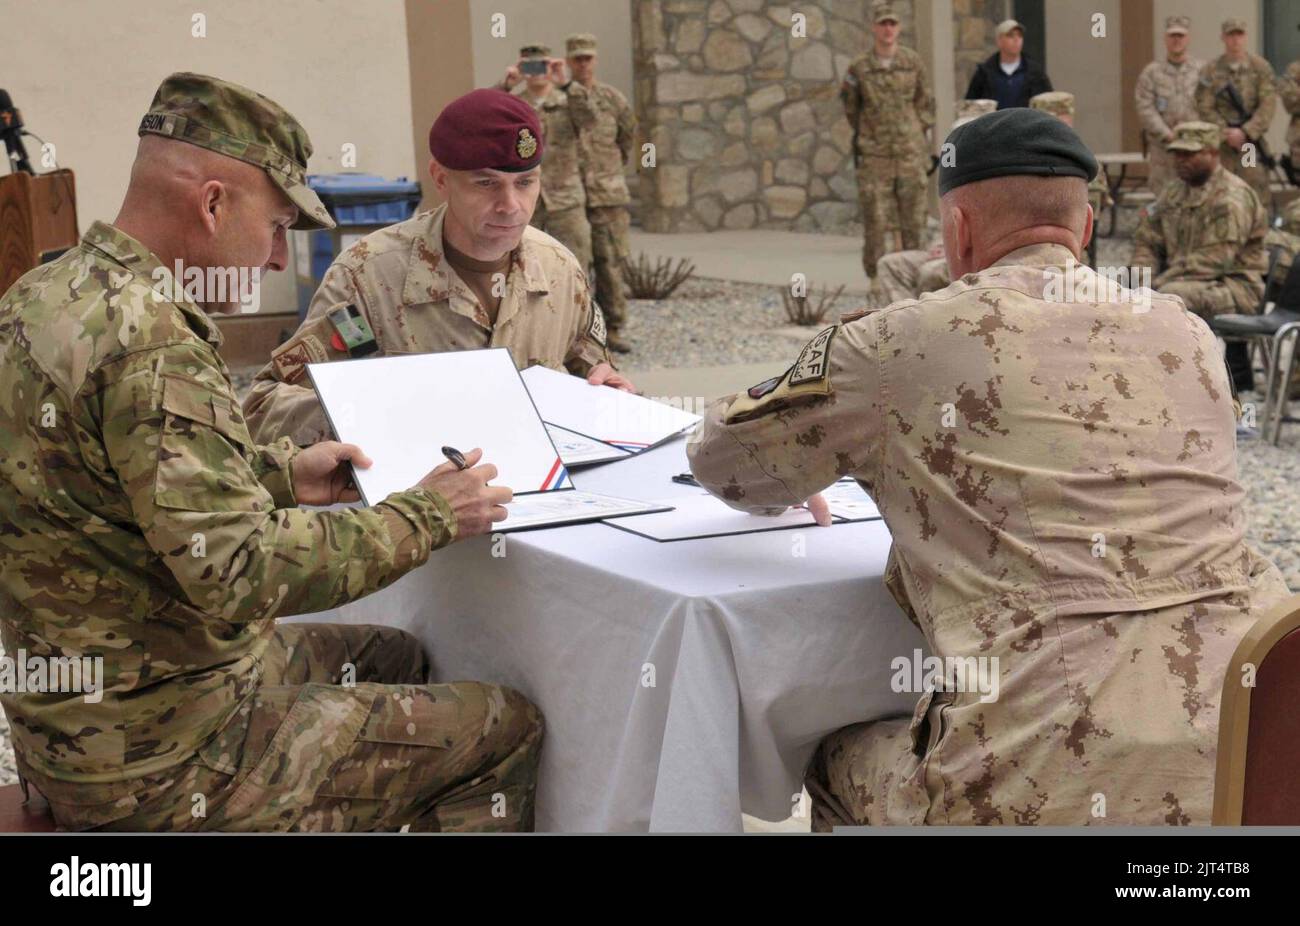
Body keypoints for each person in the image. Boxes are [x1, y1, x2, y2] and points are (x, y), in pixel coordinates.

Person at [687, 108, 1289, 826]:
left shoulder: (898, 344)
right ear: (1088, 227)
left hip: (1035, 769)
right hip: (1249, 750)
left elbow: (723, 460)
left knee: (835, 759)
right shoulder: (1187, 335)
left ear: (959, 230)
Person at [0, 73, 542, 832]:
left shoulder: (48, 292)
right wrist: (426, 514)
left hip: (86, 712)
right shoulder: (154, 344)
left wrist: (280, 474)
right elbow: (239, 572)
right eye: (279, 224)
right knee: (505, 725)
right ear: (214, 202)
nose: (273, 256)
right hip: (161, 758)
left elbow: (115, 474)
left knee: (400, 657)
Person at [244, 88, 633, 449]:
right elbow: (263, 410)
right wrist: (381, 413)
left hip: (546, 498)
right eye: (486, 184)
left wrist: (608, 390)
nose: (511, 205)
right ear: (441, 179)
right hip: (424, 507)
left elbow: (591, 368)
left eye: (525, 182)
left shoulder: (558, 269)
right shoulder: (367, 277)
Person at [1132, 121, 1267, 393]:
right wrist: (1140, 278)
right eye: (1177, 154)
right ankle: (1147, 380)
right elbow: (1147, 239)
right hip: (1182, 280)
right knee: (1134, 294)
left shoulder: (1231, 197)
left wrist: (1157, 285)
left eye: (1190, 154)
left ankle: (1179, 384)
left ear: (1212, 153)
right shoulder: (1173, 192)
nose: (1181, 161)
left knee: (1168, 299)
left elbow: (1217, 259)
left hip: (1235, 287)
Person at [840, 3, 935, 279]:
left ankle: (916, 278)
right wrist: (872, 135)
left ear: (899, 28)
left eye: (892, 24)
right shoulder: (859, 68)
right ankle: (876, 280)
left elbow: (925, 103)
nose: (888, 29)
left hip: (909, 153)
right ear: (874, 28)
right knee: (876, 221)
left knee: (914, 221)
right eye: (883, 24)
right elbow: (851, 108)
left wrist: (916, 132)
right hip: (875, 157)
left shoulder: (912, 62)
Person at [872, 100, 997, 306]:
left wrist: (951, 251)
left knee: (930, 273)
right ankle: (904, 329)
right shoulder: (959, 172)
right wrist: (940, 247)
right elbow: (949, 222)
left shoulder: (1000, 175)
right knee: (892, 264)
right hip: (949, 252)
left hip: (984, 258)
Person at [567, 33, 637, 354]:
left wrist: (609, 171)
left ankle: (615, 327)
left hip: (608, 196)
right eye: (577, 58)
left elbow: (627, 138)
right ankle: (576, 333)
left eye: (588, 58)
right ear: (568, 61)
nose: (583, 63)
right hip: (568, 197)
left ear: (595, 59)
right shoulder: (560, 98)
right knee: (575, 266)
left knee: (610, 264)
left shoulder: (613, 99)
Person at [500, 43, 595, 270]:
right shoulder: (513, 105)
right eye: (530, 66)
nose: (537, 72)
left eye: (542, 65)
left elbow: (590, 120)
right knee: (520, 264)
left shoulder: (569, 100)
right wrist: (505, 86)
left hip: (565, 197)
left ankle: (574, 306)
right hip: (524, 199)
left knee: (576, 263)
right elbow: (482, 118)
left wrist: (566, 83)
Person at [1195, 18, 1277, 209]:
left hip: (1248, 143)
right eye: (1231, 35)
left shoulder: (1260, 68)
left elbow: (1268, 104)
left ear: (1246, 37)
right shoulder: (1211, 70)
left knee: (1252, 184)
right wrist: (1226, 132)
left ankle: (1254, 232)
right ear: (1223, 38)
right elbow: (1203, 106)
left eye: (1239, 34)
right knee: (1219, 190)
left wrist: (1246, 131)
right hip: (1221, 145)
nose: (1235, 40)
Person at [1134, 16, 1205, 195]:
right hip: (1163, 150)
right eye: (1172, 36)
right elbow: (1144, 106)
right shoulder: (1152, 73)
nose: (1176, 40)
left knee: (1197, 194)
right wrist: (1167, 134)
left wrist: (1198, 134)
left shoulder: (1202, 71)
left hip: (1195, 147)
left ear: (1188, 39)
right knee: (1164, 197)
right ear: (1165, 39)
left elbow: (1210, 106)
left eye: (1180, 36)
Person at [1028, 92, 1115, 216]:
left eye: (1065, 120)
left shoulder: (1082, 158)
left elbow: (1095, 199)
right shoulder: (1021, 156)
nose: (1063, 126)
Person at [964, 19, 1052, 110]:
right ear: (999, 41)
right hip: (996, 123)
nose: (1016, 40)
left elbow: (1048, 104)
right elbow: (971, 106)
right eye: (1010, 35)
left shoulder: (1035, 72)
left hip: (1026, 123)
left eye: (1020, 35)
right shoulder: (984, 73)